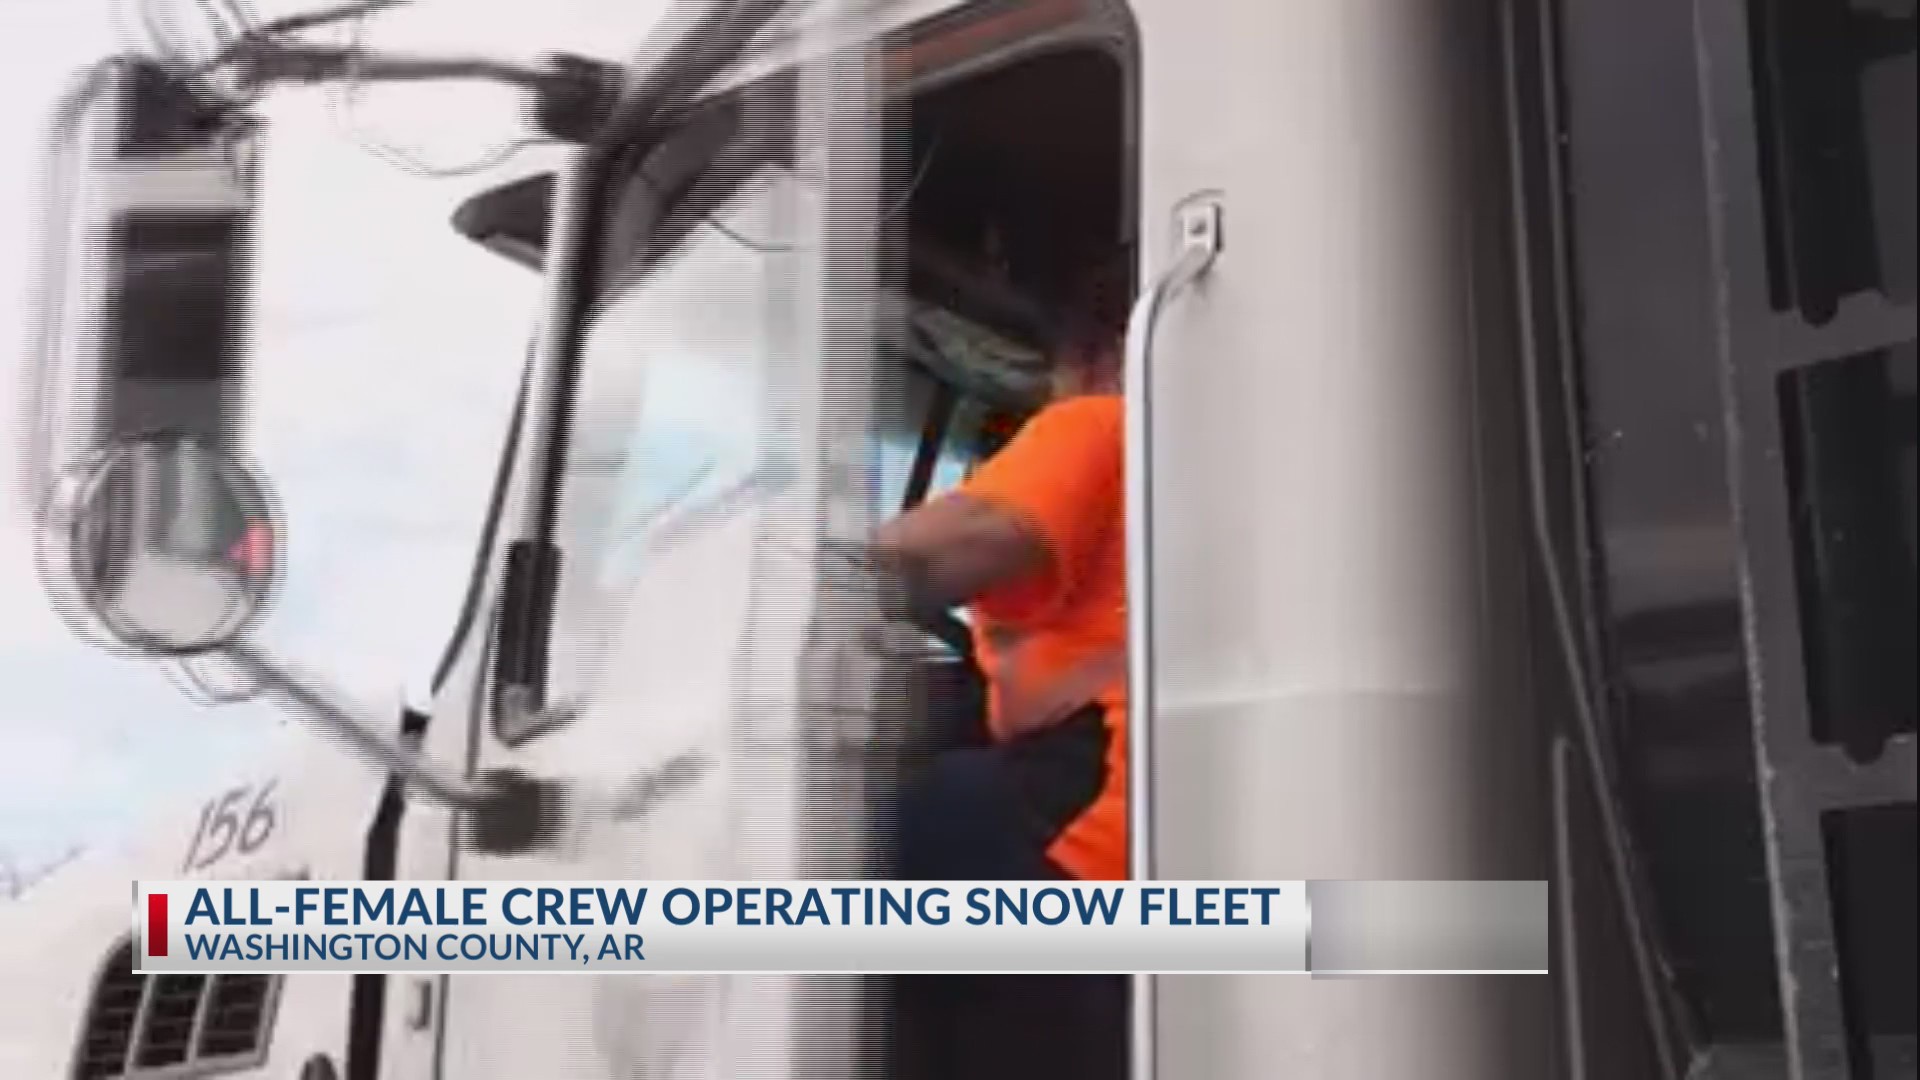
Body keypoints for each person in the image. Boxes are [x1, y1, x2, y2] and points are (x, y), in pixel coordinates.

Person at [876, 253, 1131, 1080]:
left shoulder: (1100, 422)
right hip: (1151, 866)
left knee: (806, 853)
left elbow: (942, 551)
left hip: (1076, 854)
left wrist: (802, 567)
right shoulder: (1229, 478)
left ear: (1084, 356)